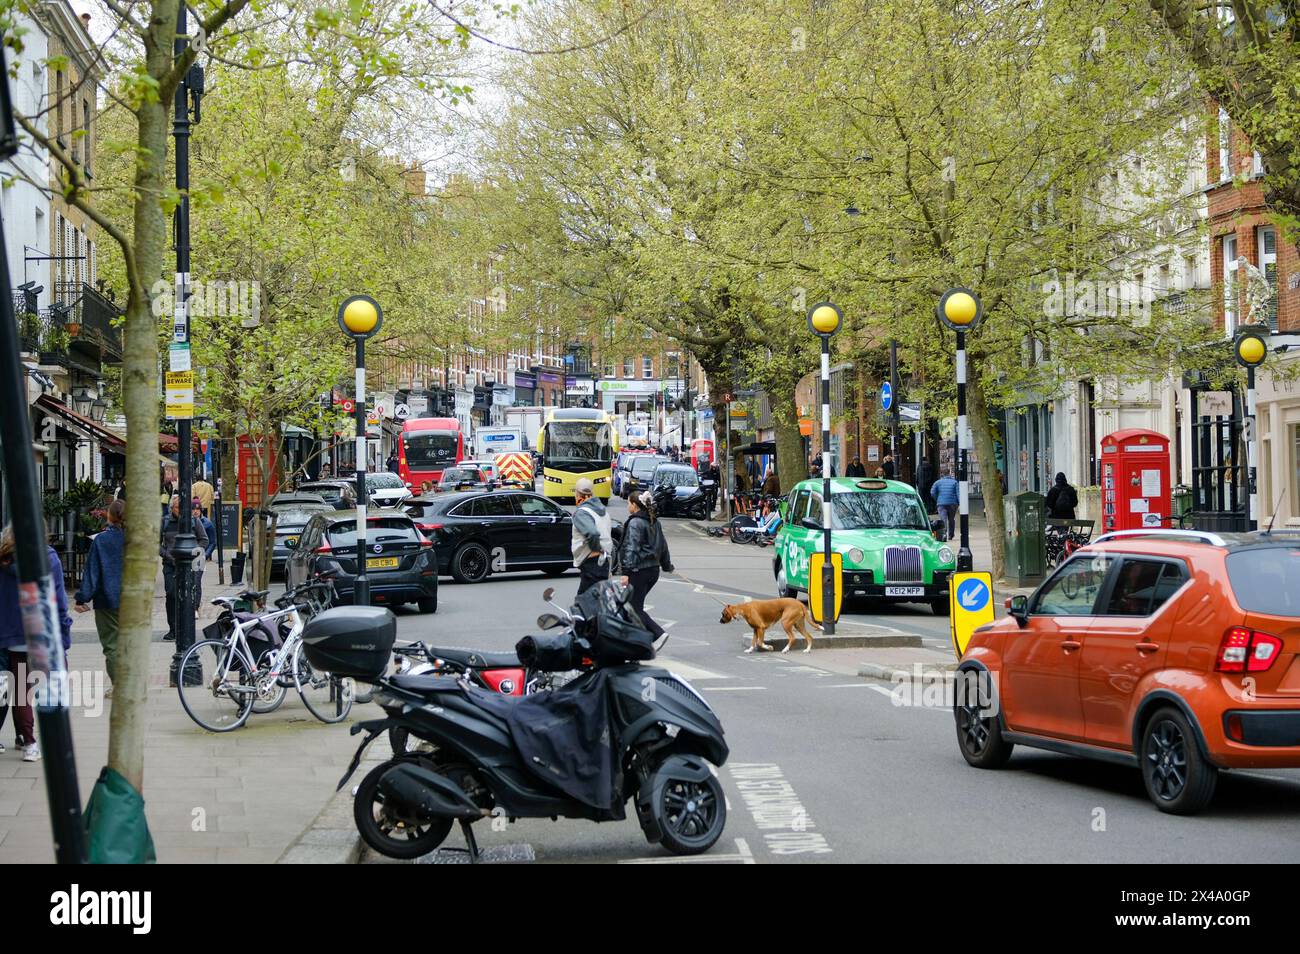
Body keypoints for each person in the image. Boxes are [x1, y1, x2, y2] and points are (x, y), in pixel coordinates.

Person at [0, 522, 73, 761]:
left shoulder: (4, 560)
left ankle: (28, 741)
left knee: (21, 692)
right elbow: (60, 601)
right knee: (51, 689)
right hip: (43, 634)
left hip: (14, 637)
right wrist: (64, 635)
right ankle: (52, 742)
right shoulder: (49, 559)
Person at [74, 499, 126, 695]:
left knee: (112, 644)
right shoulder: (134, 539)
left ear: (109, 516)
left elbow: (92, 572)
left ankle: (119, 687)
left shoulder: (101, 540)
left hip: (108, 598)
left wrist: (82, 598)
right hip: (133, 599)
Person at [618, 491, 674, 650]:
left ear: (635, 505)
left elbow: (632, 548)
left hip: (638, 571)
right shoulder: (654, 521)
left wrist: (626, 572)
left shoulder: (635, 523)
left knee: (633, 609)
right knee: (631, 607)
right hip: (653, 571)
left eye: (629, 503)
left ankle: (657, 634)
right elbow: (663, 546)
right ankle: (635, 642)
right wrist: (667, 565)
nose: (628, 506)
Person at [160, 494, 208, 641]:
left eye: (182, 508)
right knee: (171, 594)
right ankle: (173, 629)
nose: (180, 511)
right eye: (177, 508)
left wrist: (192, 553)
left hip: (189, 565)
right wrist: (168, 555)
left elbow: (204, 540)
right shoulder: (165, 522)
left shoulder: (194, 521)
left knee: (188, 596)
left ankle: (186, 629)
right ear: (171, 508)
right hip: (170, 564)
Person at [571, 478, 613, 595]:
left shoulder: (582, 513)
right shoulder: (603, 511)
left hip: (592, 562)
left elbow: (593, 533)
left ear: (577, 493)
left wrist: (596, 549)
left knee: (583, 603)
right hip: (603, 561)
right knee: (598, 601)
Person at [930, 470, 960, 541]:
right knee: (951, 519)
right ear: (949, 474)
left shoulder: (937, 482)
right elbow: (958, 493)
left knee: (943, 519)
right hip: (953, 503)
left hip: (941, 504)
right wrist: (959, 503)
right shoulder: (955, 482)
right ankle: (951, 535)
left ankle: (944, 534)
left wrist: (937, 499)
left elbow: (932, 492)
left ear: (941, 474)